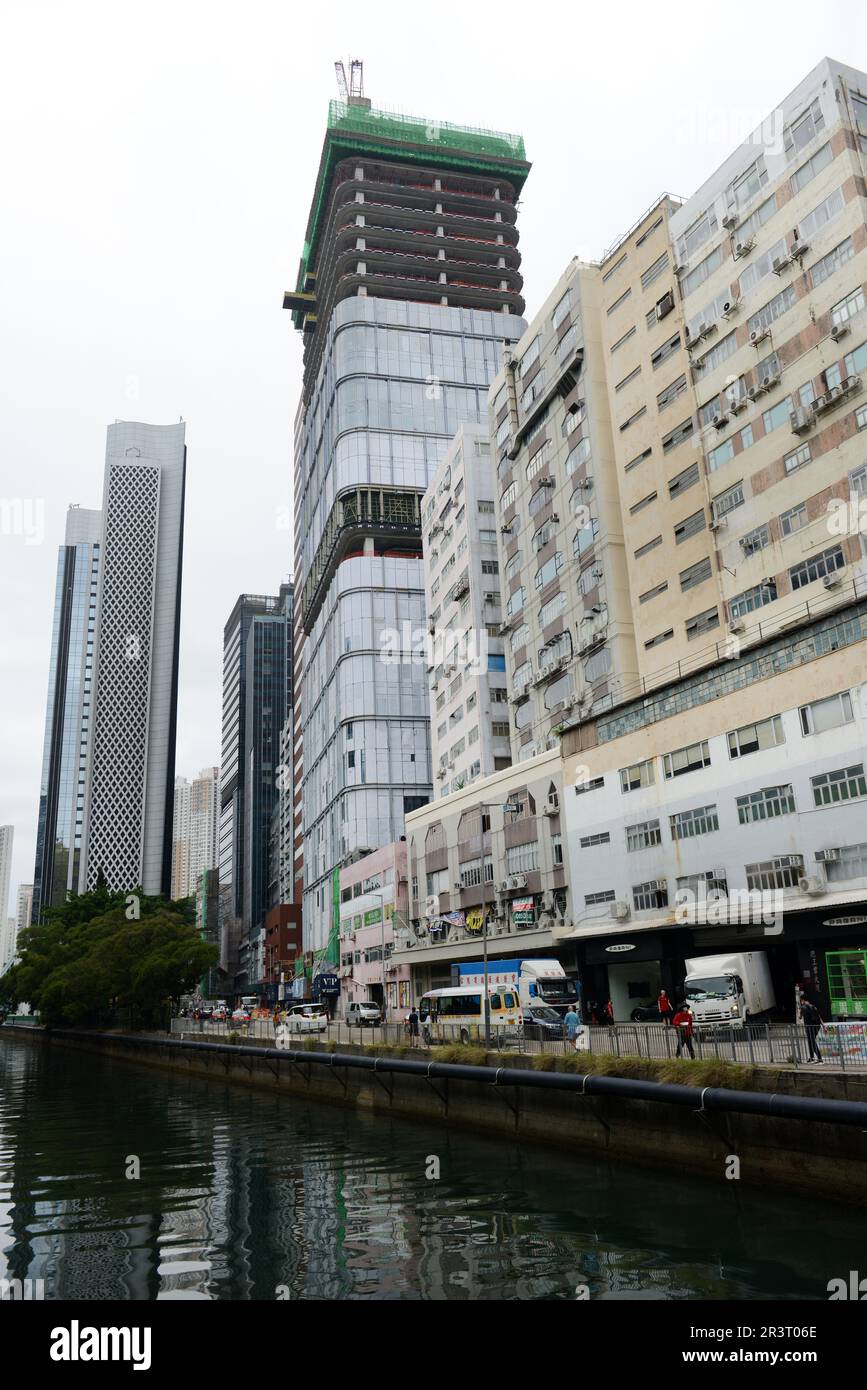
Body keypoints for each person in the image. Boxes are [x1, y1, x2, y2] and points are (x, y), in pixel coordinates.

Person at [800, 994, 823, 1063]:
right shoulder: (813, 1006)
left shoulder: (803, 1007)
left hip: (809, 1027)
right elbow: (819, 1016)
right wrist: (823, 1025)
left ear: (802, 1000)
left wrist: (800, 1012)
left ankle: (819, 1058)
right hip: (816, 1026)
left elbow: (800, 1017)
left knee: (812, 1042)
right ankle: (812, 1057)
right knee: (810, 1041)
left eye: (801, 1000)